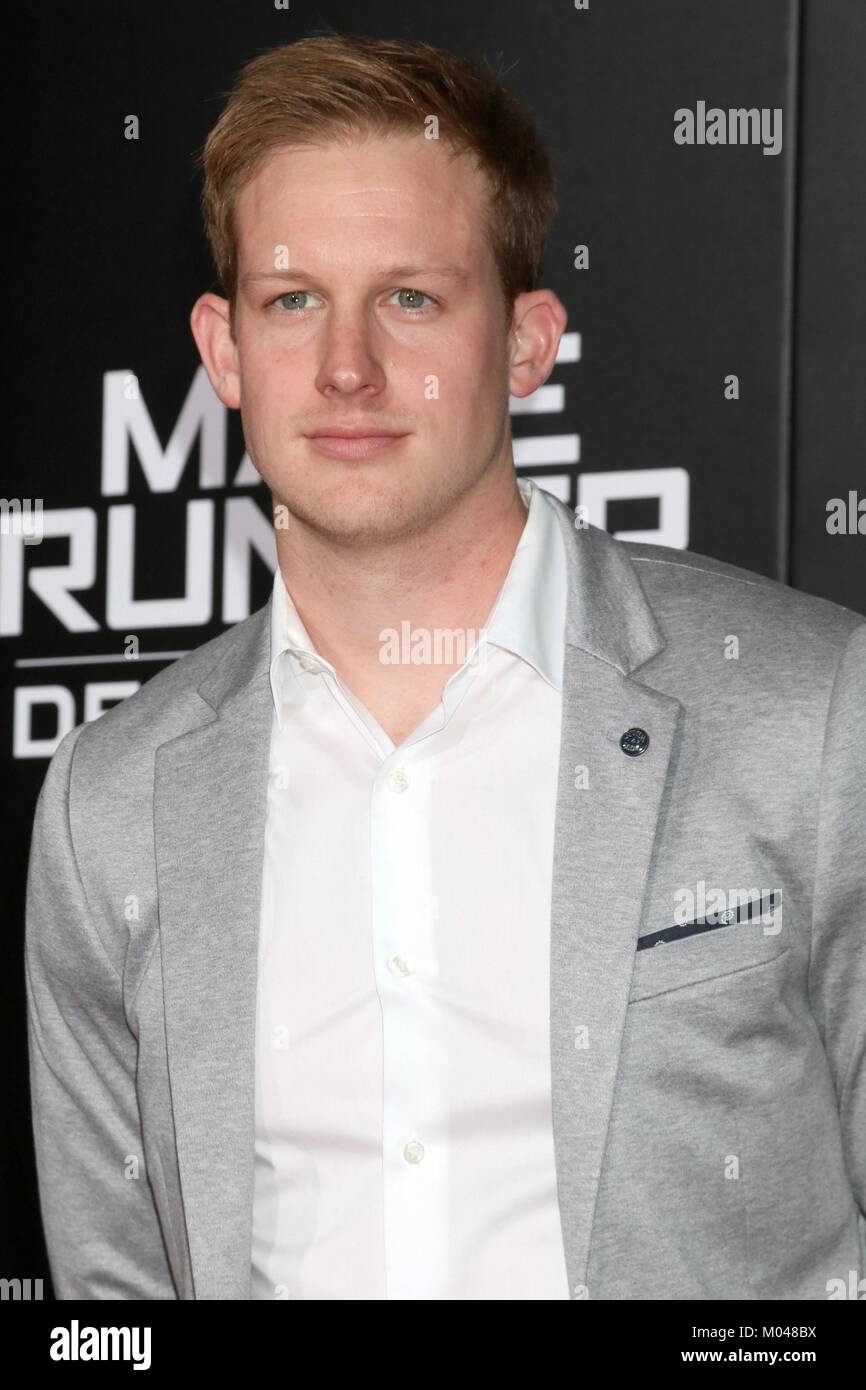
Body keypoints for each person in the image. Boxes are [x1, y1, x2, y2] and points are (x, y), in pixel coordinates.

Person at [25, 32, 865, 1301]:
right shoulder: (112, 800)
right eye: (292, 300)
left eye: (410, 297)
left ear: (526, 343)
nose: (348, 366)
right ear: (223, 349)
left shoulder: (808, 712)